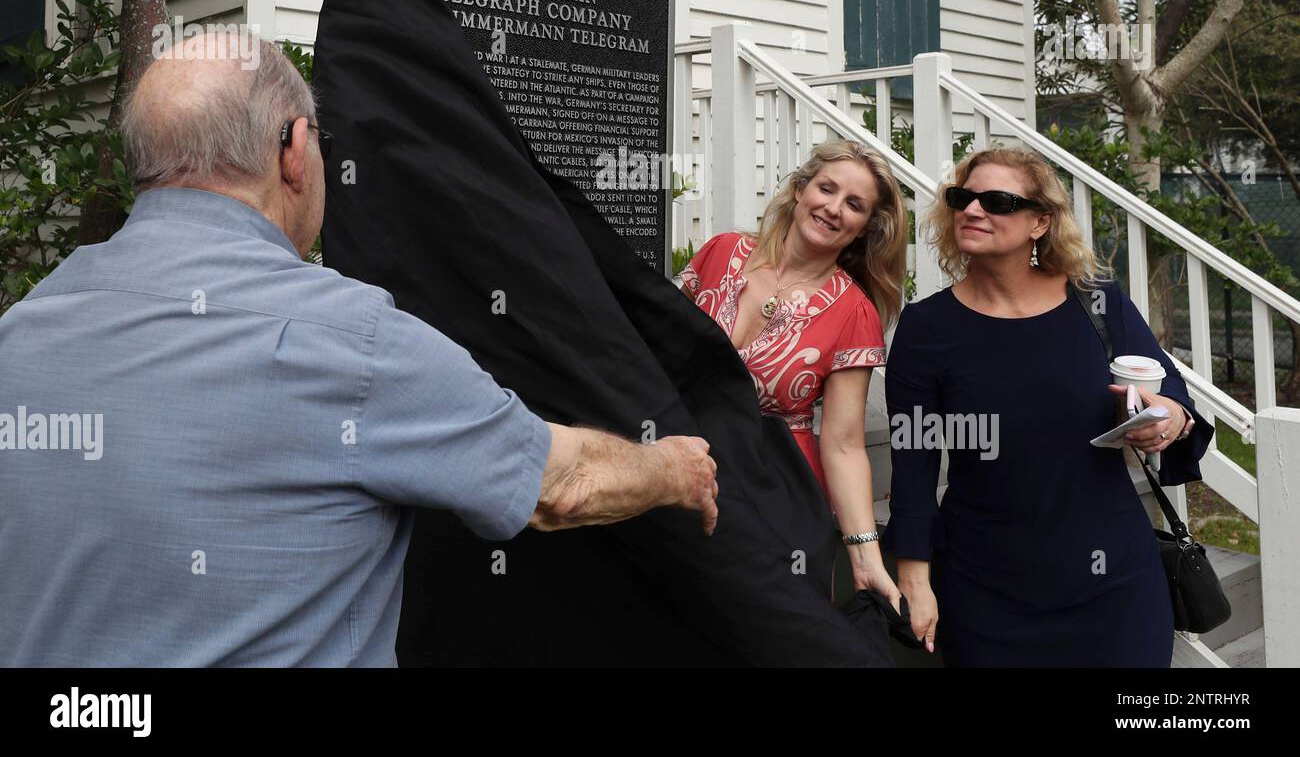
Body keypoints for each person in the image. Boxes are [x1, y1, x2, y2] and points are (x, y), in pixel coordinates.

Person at [0, 34, 718, 667]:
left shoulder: (21, 330)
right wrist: (673, 469)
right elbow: (562, 485)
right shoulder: (354, 344)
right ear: (292, 148)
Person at [883, 146, 1214, 667]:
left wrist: (1170, 419)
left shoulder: (1095, 301)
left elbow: (1170, 393)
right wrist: (915, 578)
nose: (972, 210)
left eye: (995, 201)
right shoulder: (927, 328)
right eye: (962, 198)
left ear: (1040, 221)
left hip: (1114, 585)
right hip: (986, 588)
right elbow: (914, 464)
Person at [675, 138, 907, 606]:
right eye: (827, 188)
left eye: (855, 205)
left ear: (865, 228)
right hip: (675, 467)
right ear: (801, 189)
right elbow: (654, 346)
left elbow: (842, 443)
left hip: (772, 494)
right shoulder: (720, 251)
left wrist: (865, 556)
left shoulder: (853, 312)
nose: (834, 208)